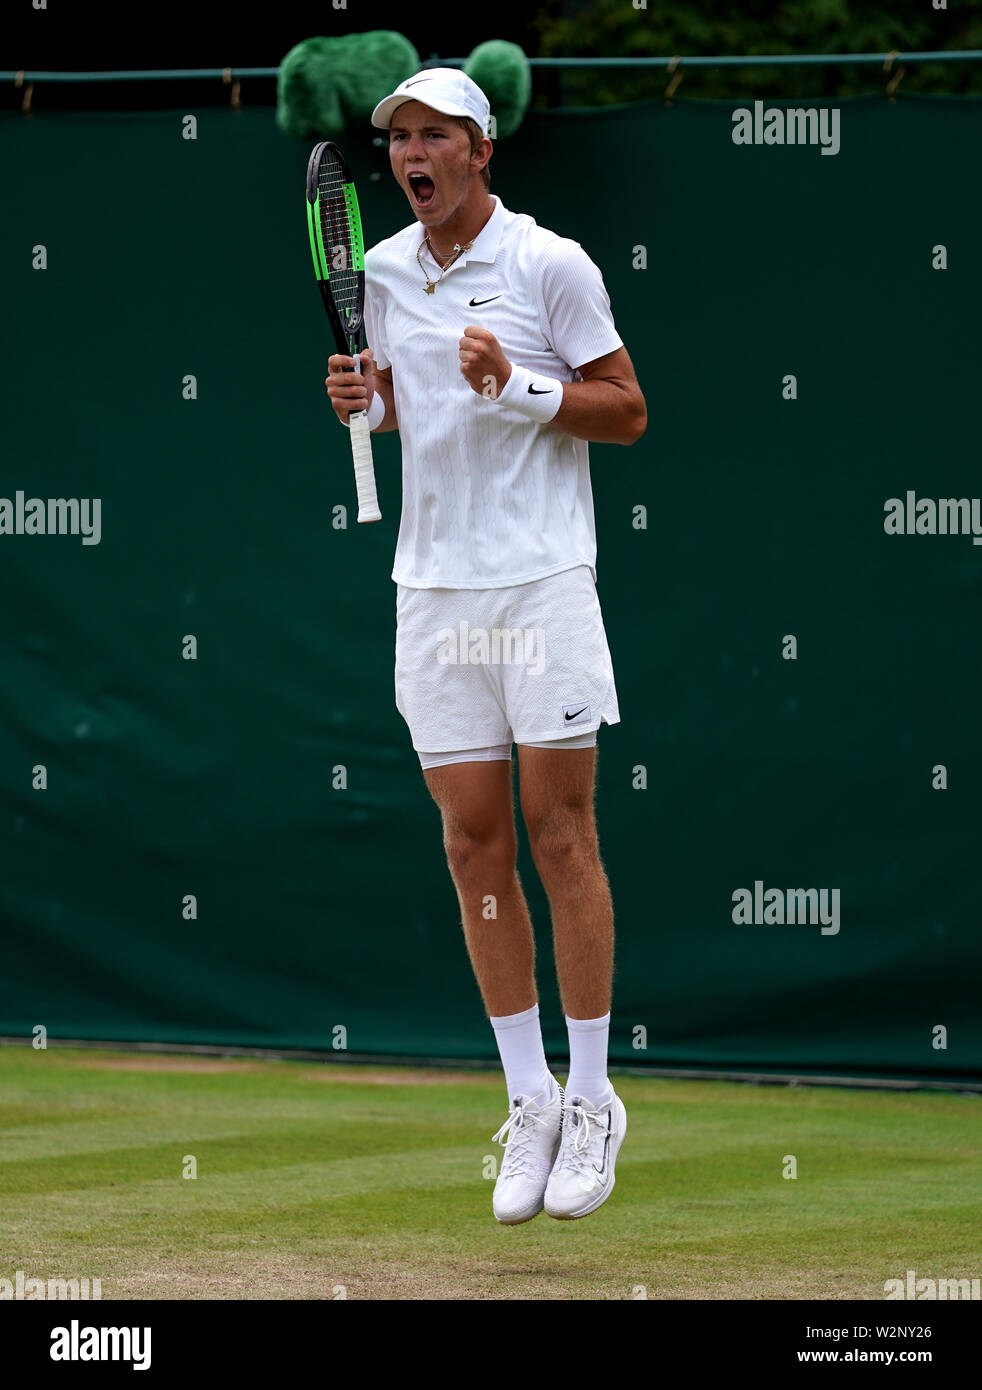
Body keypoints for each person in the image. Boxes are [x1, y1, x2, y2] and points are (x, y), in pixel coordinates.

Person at [326, 69, 646, 1223]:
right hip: (433, 592)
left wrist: (518, 386)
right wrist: (363, 398)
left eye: (433, 135)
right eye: (398, 137)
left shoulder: (550, 263)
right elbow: (409, 409)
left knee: (561, 835)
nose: (411, 152)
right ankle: (531, 1100)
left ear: (480, 151)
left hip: (542, 583)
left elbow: (625, 408)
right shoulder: (380, 273)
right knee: (474, 849)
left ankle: (599, 1098)